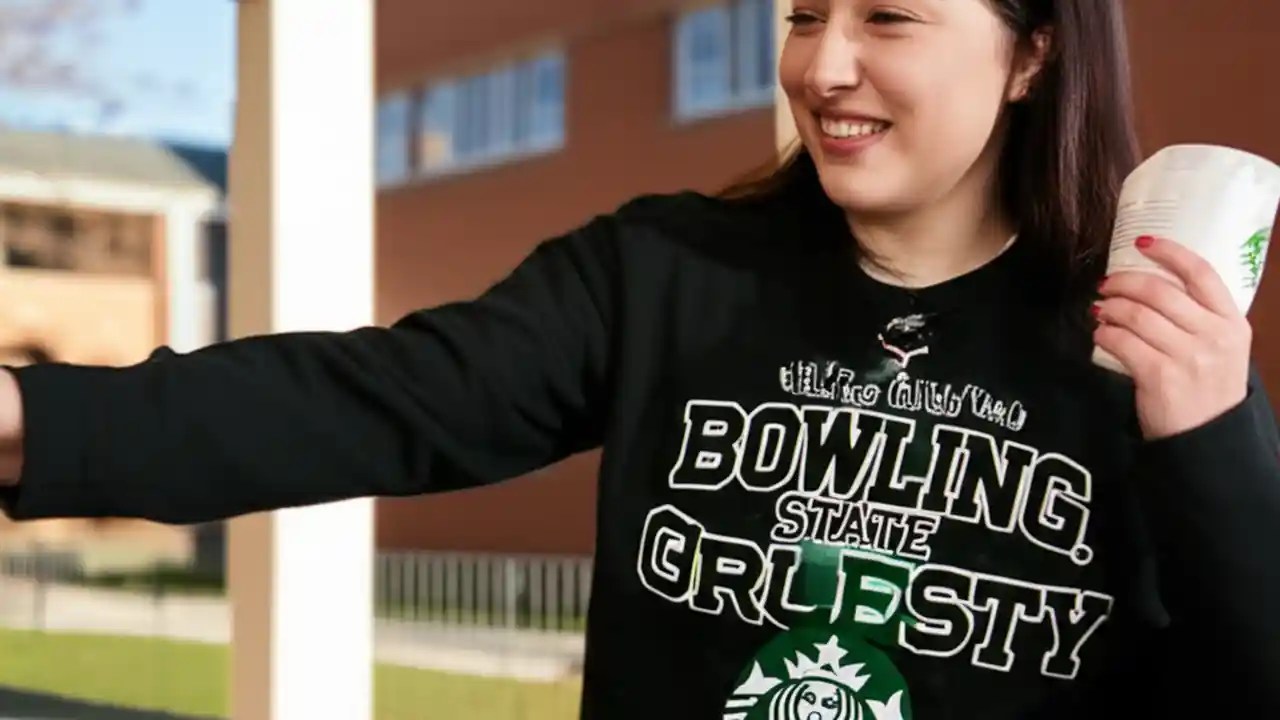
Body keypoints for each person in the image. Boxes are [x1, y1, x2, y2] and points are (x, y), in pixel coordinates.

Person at [1, 0, 1277, 716]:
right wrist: (25, 417)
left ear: (1031, 53)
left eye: (886, 16)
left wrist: (1211, 435)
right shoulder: (661, 272)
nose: (822, 64)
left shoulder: (1140, 337)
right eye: (804, 14)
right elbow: (373, 400)